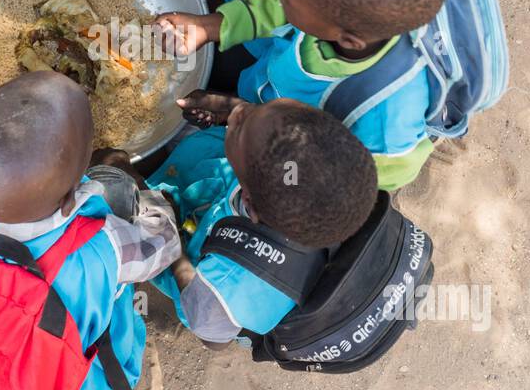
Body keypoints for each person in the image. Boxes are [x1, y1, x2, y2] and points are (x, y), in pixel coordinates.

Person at [0, 70, 182, 390]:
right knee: (118, 191)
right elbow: (163, 244)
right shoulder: (102, 246)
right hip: (82, 383)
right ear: (74, 197)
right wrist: (150, 197)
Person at [157, 0, 449, 192]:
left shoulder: (384, 128)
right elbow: (277, 7)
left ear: (347, 40)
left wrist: (253, 128)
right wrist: (209, 28)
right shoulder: (327, 8)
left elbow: (323, 180)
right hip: (270, 88)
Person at [148, 98, 377, 346]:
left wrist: (168, 227)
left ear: (247, 200)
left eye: (239, 127)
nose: (238, 113)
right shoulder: (326, 193)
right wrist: (240, 112)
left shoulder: (225, 288)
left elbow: (212, 334)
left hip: (208, 278)